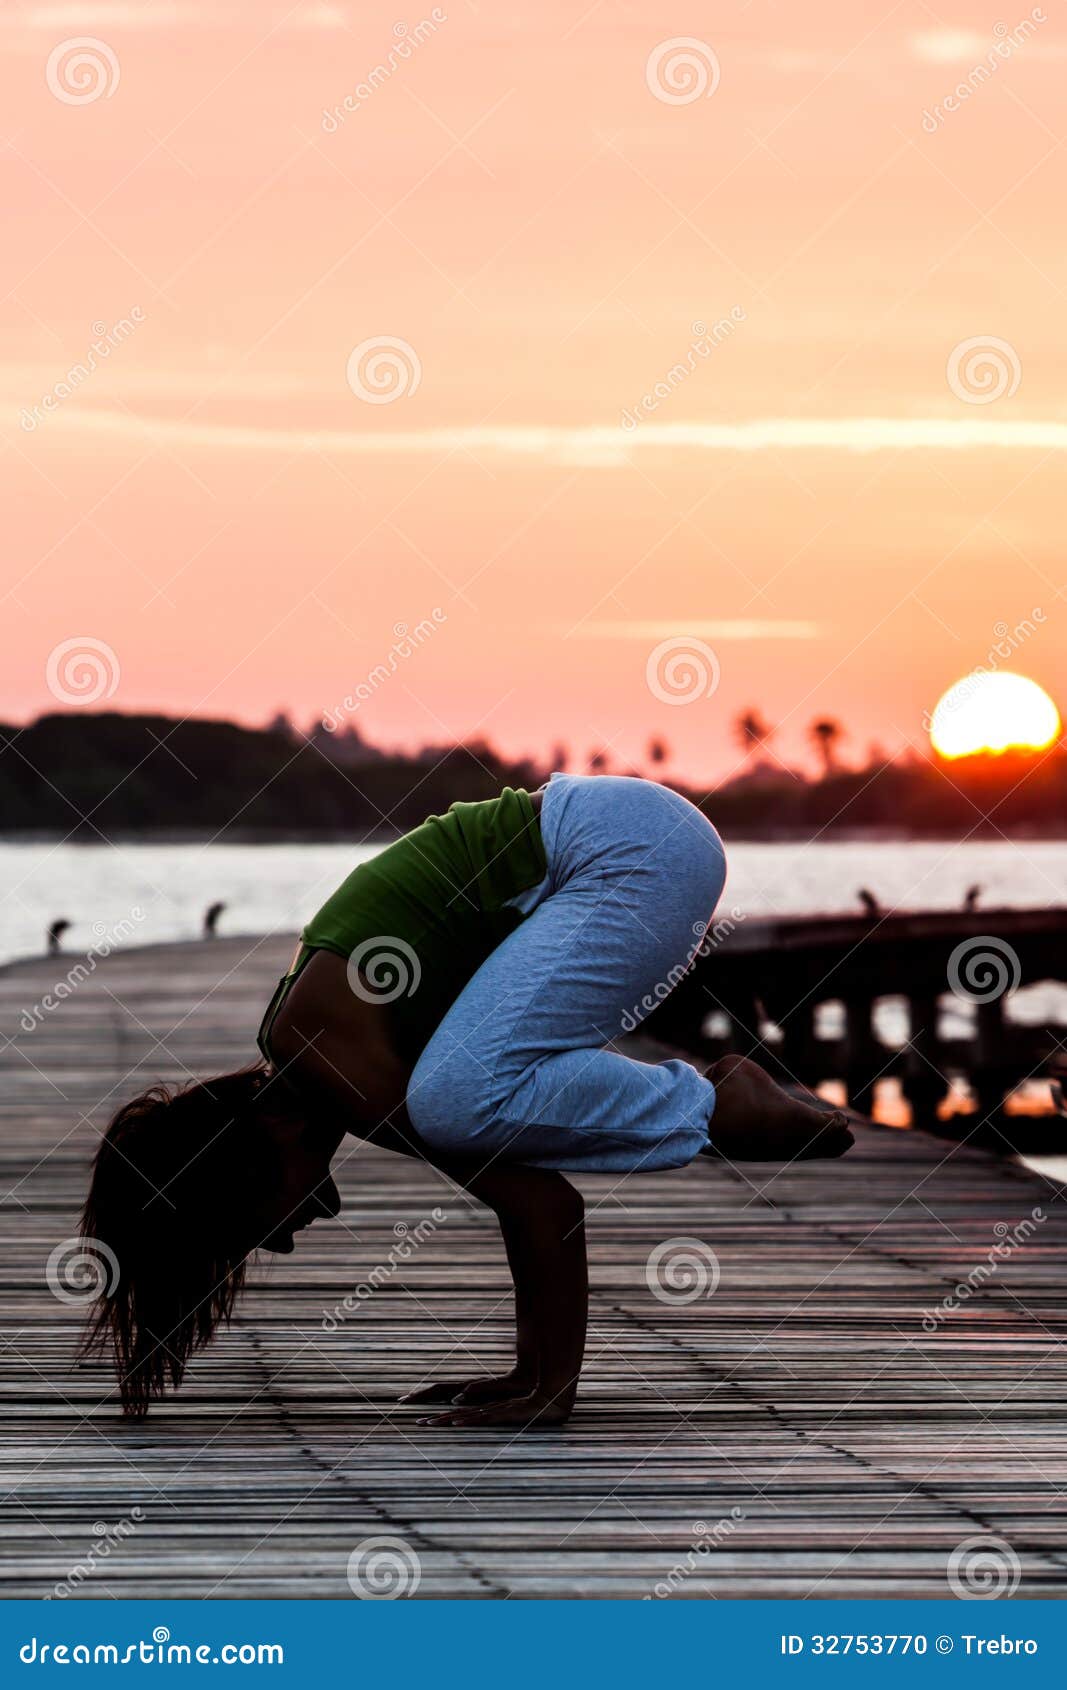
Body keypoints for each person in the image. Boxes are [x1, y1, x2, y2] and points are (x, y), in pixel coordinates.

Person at [80, 774, 852, 1426]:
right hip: (627, 841)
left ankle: (717, 1102)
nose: (284, 1241)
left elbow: (543, 1206)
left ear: (237, 1174)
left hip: (629, 854)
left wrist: (550, 1389)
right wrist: (529, 1377)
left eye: (252, 1233)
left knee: (456, 1104)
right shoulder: (323, 1061)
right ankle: (713, 1102)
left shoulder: (333, 1062)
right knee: (469, 1098)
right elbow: (531, 1194)